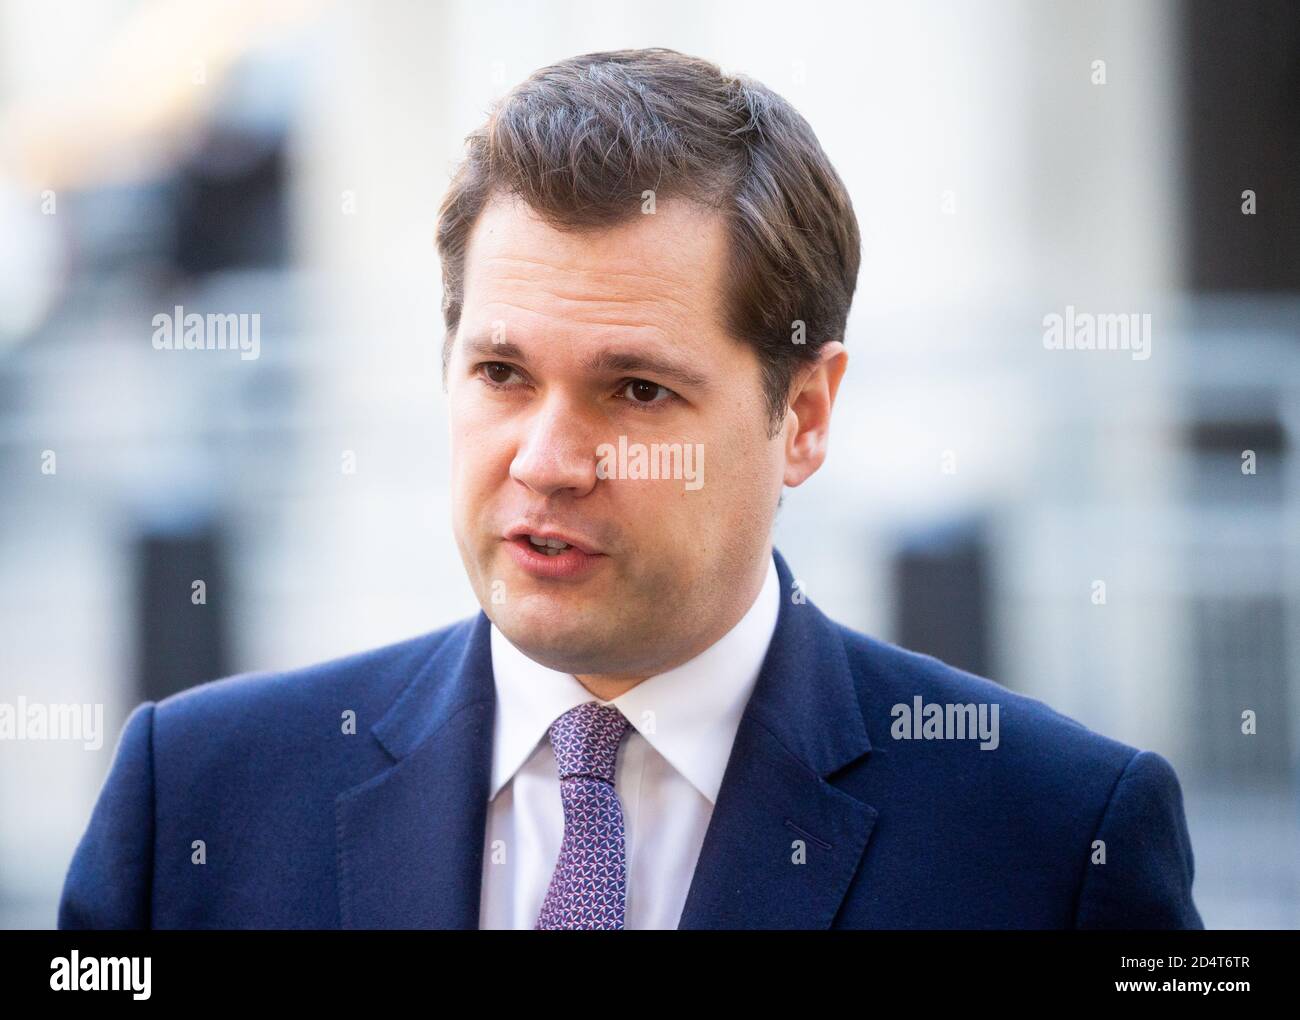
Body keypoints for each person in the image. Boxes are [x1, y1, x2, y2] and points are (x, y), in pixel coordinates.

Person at [59, 47, 1202, 930]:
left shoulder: (1056, 843)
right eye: (502, 373)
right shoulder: (198, 802)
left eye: (638, 391)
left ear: (802, 416)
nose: (548, 460)